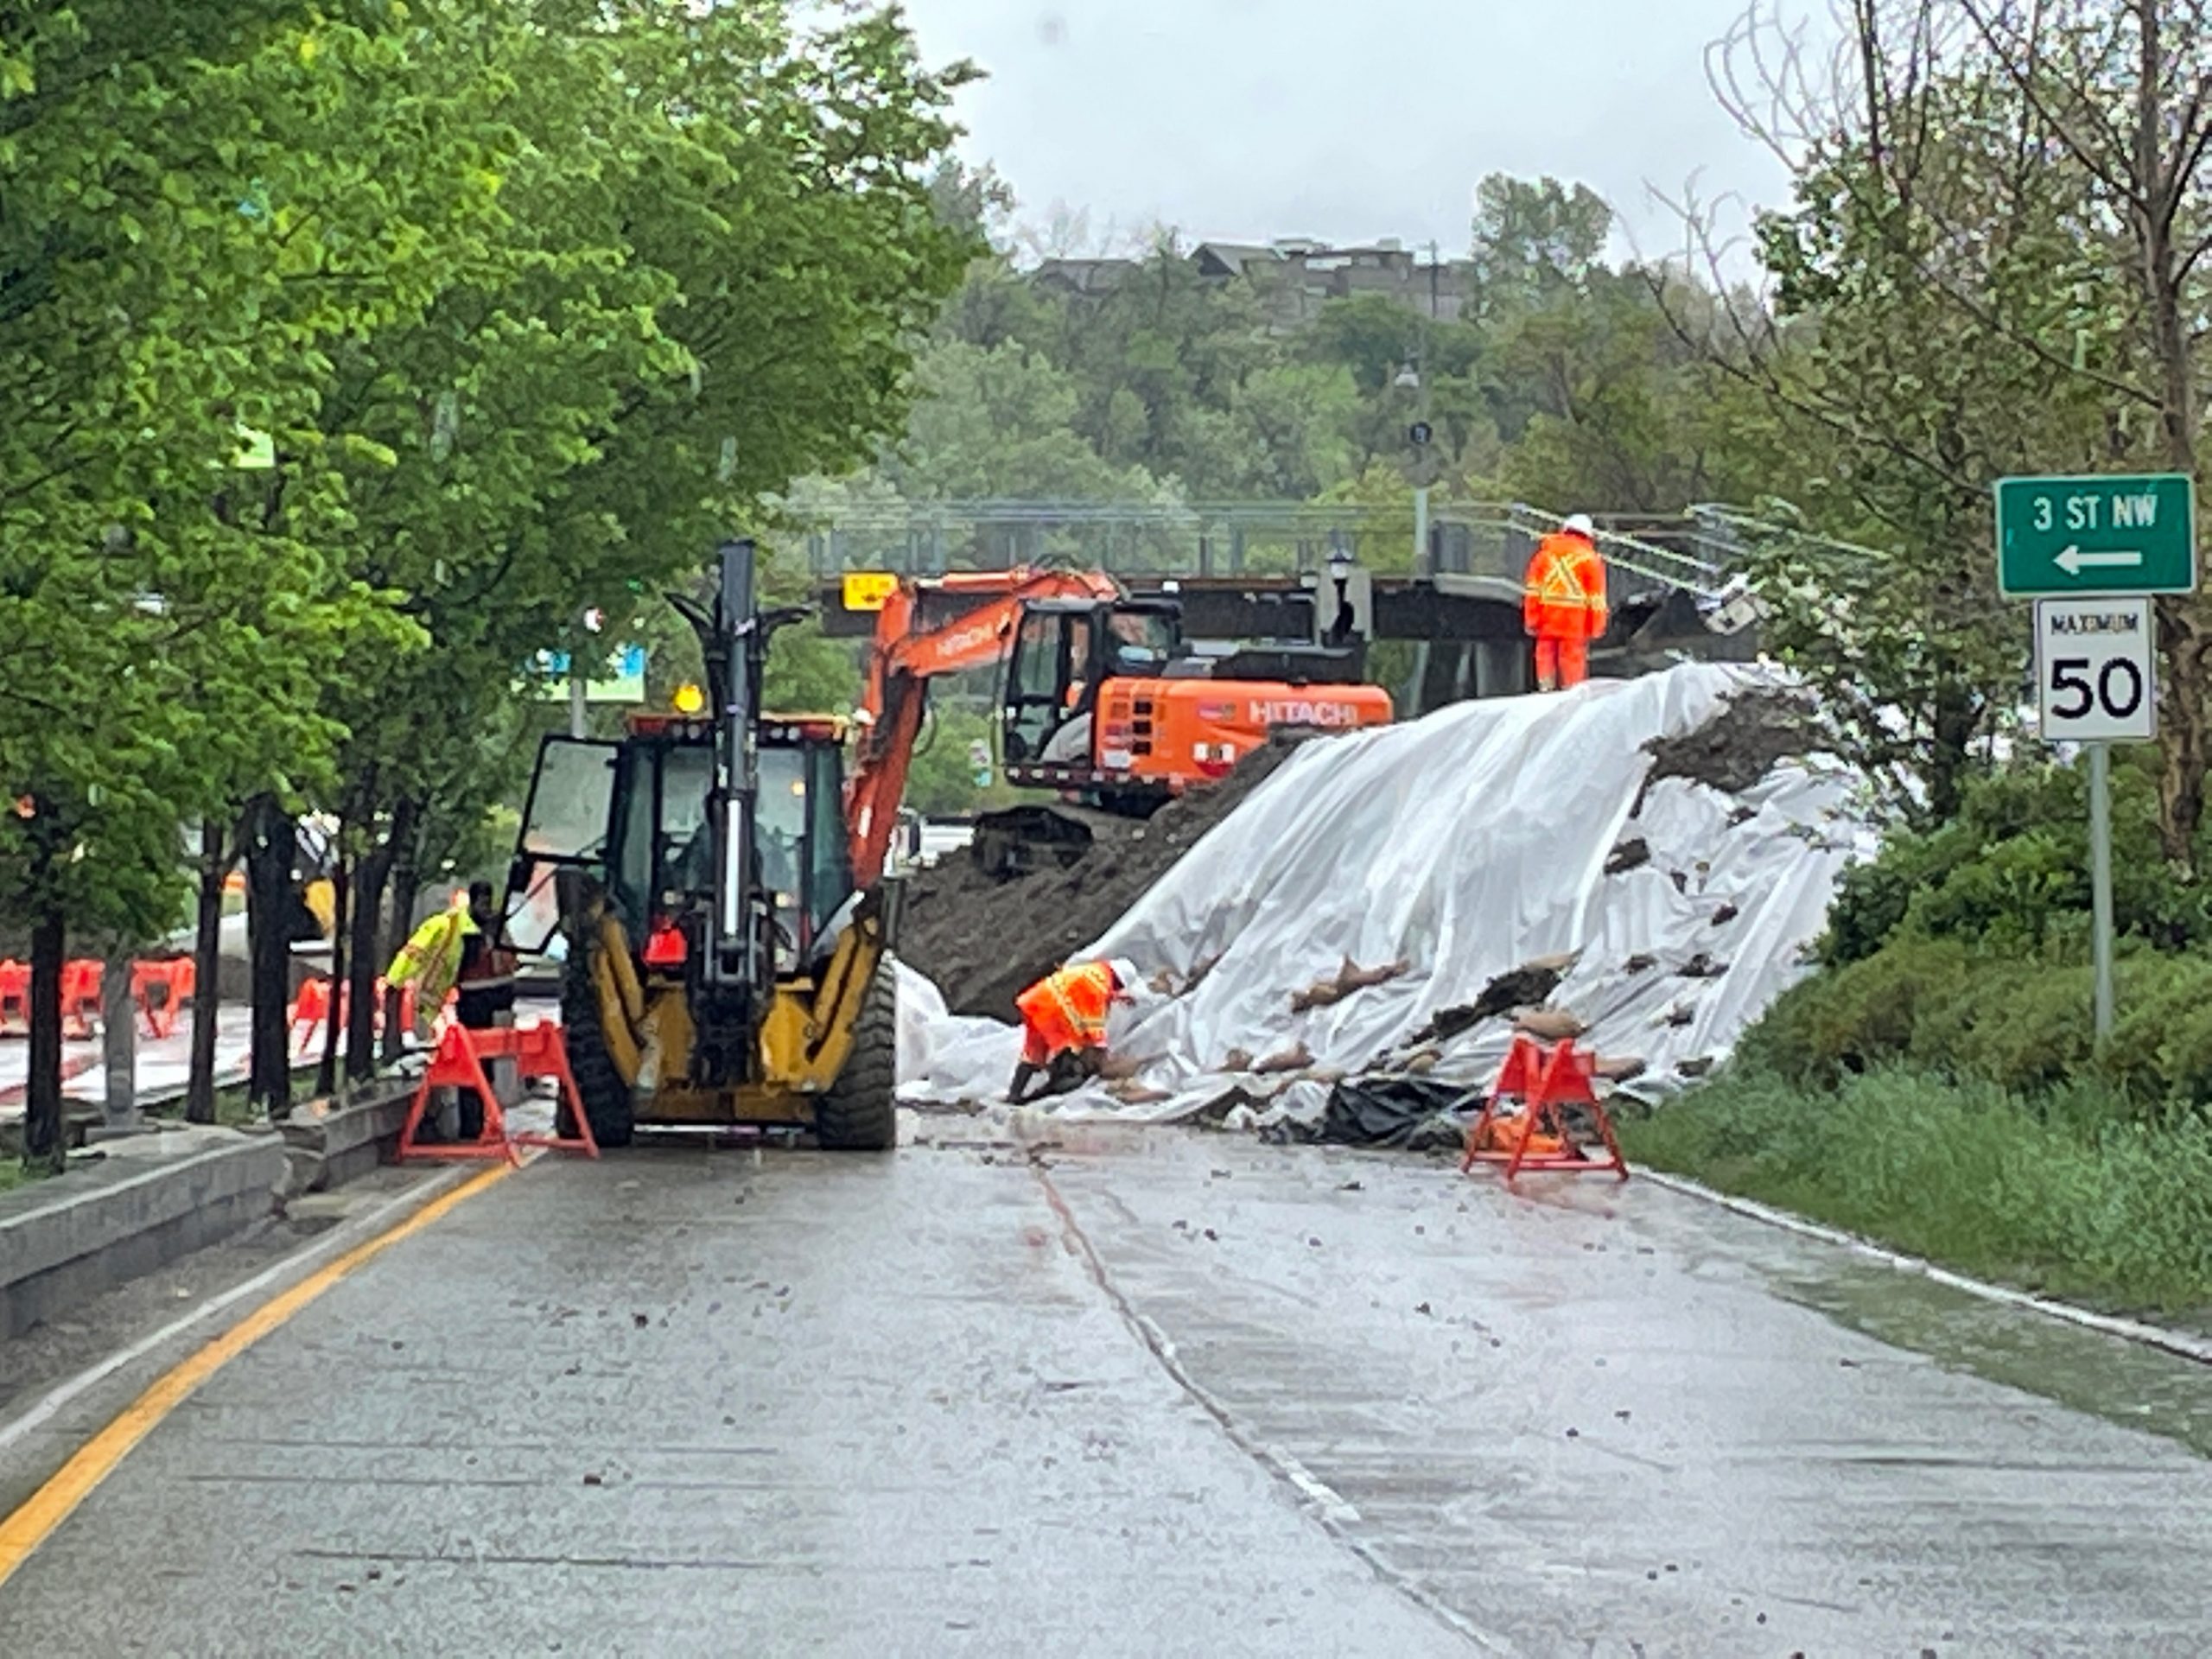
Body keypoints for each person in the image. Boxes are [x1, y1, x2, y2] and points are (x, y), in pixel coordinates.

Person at [1007, 957, 1140, 1103]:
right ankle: (1039, 1097)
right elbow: (1094, 1025)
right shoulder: (1099, 987)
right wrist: (1102, 1051)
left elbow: (1084, 991)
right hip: (1053, 1013)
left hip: (1036, 1002)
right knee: (1070, 1052)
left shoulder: (1094, 972)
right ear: (1118, 981)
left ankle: (1014, 1095)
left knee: (1033, 1051)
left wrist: (1115, 996)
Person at [1522, 513, 1609, 691]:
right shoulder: (1590, 559)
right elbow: (1596, 599)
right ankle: (1571, 694)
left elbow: (1533, 591)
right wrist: (1596, 627)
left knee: (1545, 653)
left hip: (1548, 616)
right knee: (1572, 658)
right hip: (1575, 620)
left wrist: (1531, 619)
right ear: (1588, 535)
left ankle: (1545, 690)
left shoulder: (1544, 555)